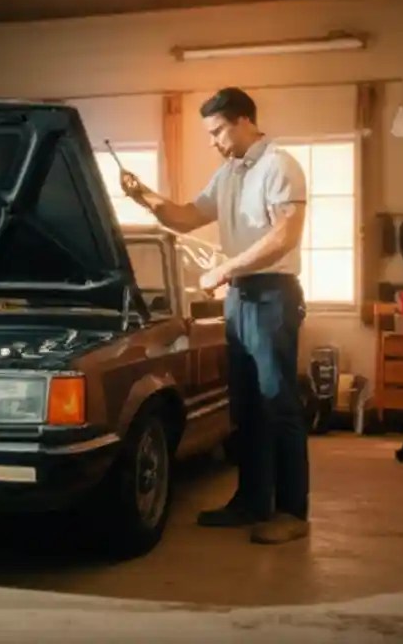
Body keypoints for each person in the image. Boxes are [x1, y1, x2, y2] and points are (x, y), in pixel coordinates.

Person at [121, 87, 310, 545]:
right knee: (244, 405)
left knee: (277, 405)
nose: (213, 141)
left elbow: (285, 236)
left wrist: (225, 268)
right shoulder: (228, 173)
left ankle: (292, 512)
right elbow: (186, 217)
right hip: (240, 297)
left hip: (272, 296)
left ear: (244, 121)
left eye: (218, 130)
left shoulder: (279, 166)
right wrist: (144, 196)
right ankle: (251, 502)